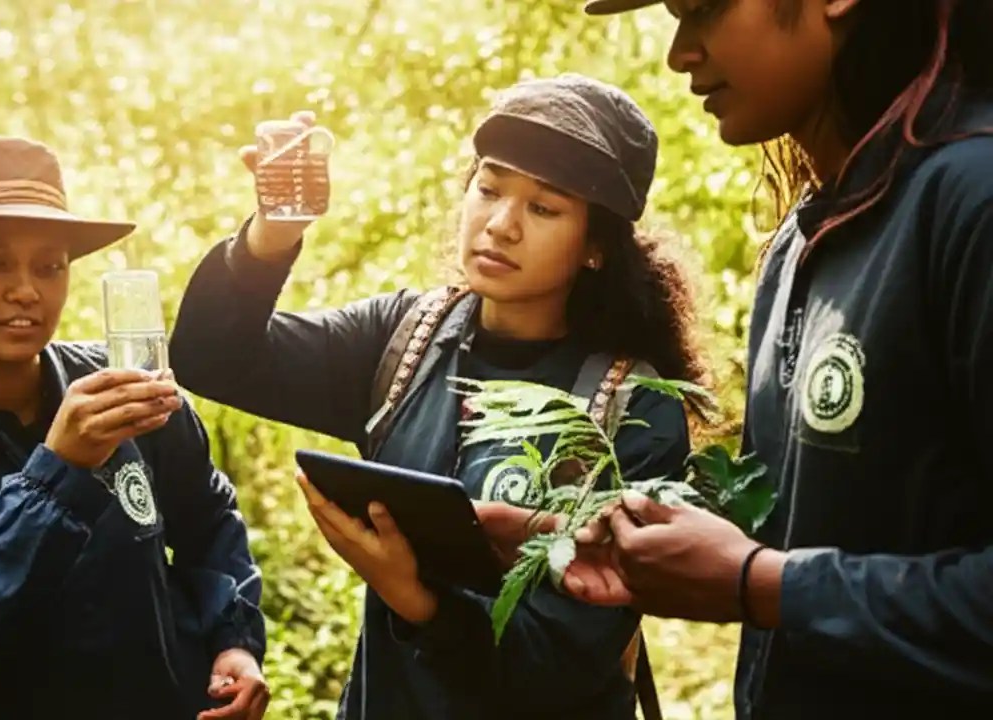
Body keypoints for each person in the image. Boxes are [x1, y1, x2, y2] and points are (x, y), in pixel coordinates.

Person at [478, 1, 993, 718]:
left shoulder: (972, 199)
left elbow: (773, 573)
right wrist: (587, 532)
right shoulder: (801, 243)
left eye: (701, 8)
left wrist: (761, 584)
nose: (679, 52)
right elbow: (802, 519)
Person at [168, 74, 705, 719]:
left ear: (596, 247)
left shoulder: (634, 407)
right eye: (489, 188)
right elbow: (213, 360)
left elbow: (565, 657)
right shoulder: (405, 342)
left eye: (544, 207)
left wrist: (417, 598)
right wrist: (272, 235)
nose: (501, 225)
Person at [0, 136, 269, 720]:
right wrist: (57, 474)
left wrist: (231, 637)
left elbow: (207, 519)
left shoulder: (122, 393)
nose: (27, 290)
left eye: (49, 266)